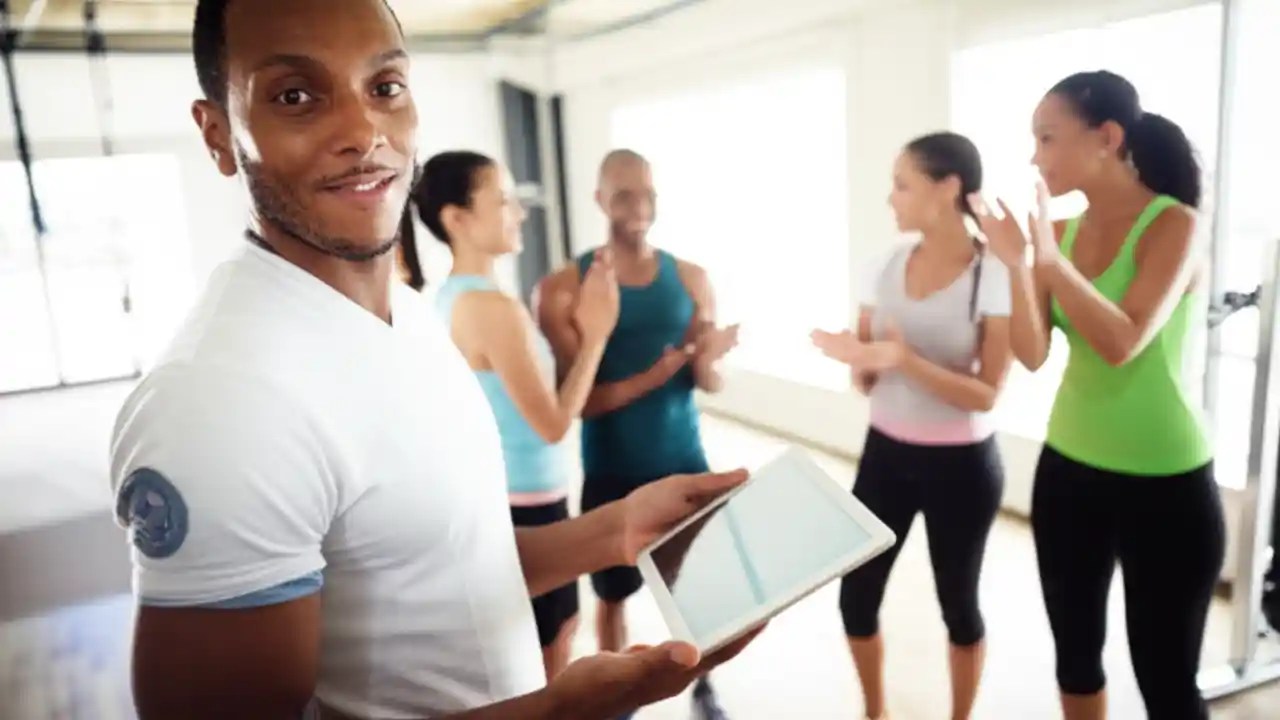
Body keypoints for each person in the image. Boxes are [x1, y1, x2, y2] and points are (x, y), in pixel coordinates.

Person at [107, 2, 760, 719]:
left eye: (385, 87)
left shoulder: (409, 314)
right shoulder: (218, 405)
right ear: (218, 135)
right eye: (295, 96)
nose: (364, 132)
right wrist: (558, 711)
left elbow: (441, 564)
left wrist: (615, 531)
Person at [974, 70, 1224, 720]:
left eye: (1047, 138)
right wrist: (1016, 264)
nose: (1035, 157)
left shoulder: (1175, 224)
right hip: (1070, 473)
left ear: (1107, 137)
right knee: (1076, 659)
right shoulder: (1059, 232)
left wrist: (1048, 263)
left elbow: (1123, 342)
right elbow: (1032, 353)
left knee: (1167, 682)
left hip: (1167, 483)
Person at [811, 132, 1012, 720]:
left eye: (902, 185)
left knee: (959, 607)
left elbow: (987, 393)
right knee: (856, 598)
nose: (890, 198)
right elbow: (868, 377)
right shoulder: (883, 265)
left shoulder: (993, 273)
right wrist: (861, 361)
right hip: (885, 456)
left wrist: (905, 360)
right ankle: (875, 713)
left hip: (962, 467)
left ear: (947, 188)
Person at [537, 149, 740, 719]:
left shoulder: (692, 279)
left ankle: (704, 688)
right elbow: (580, 403)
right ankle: (616, 702)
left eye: (648, 193)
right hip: (611, 470)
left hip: (684, 459)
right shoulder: (564, 289)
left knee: (697, 592)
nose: (640, 206)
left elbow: (708, 382)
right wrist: (658, 372)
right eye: (625, 194)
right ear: (599, 200)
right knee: (612, 597)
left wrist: (709, 359)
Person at [415, 149, 619, 679]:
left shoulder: (456, 296)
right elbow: (552, 426)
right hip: (527, 506)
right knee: (554, 644)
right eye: (503, 201)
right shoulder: (490, 308)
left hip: (512, 496)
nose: (520, 213)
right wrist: (596, 334)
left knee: (544, 640)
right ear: (457, 219)